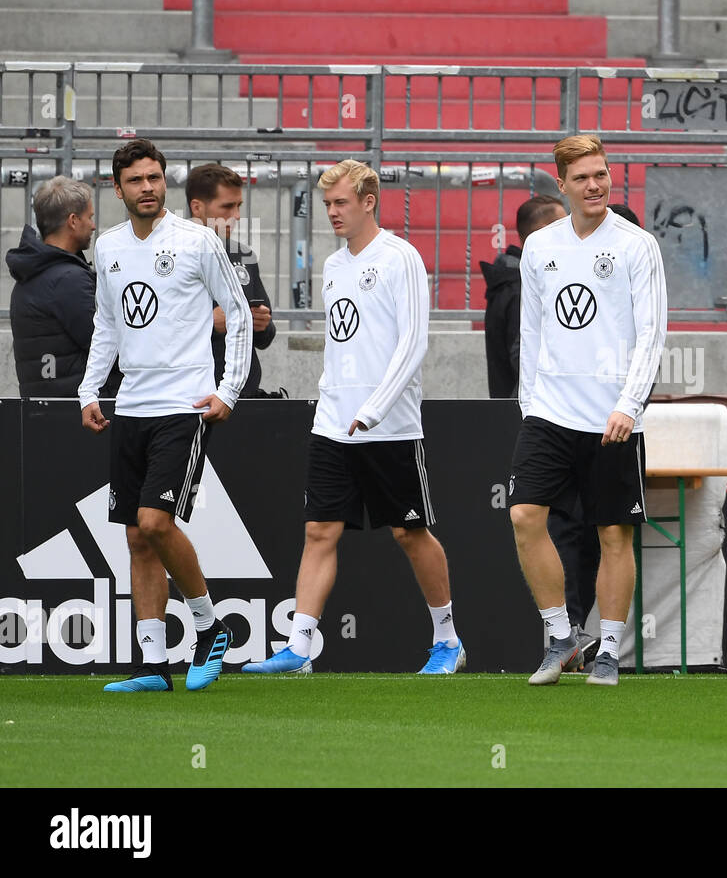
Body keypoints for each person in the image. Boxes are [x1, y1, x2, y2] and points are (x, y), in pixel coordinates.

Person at [241, 159, 465, 676]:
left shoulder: (400, 258)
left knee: (409, 533)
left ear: (369, 201)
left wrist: (373, 409)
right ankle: (299, 648)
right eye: (327, 204)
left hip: (390, 425)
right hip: (333, 424)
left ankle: (448, 640)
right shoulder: (335, 266)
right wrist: (334, 406)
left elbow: (413, 344)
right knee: (319, 530)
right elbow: (343, 345)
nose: (333, 213)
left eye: (341, 202)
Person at [78, 139, 252, 693]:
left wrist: (229, 390)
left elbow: (241, 315)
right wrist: (89, 389)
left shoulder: (198, 241)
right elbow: (107, 323)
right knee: (135, 537)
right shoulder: (107, 248)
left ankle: (208, 625)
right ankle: (153, 665)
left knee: (156, 522)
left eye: (155, 177)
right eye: (136, 180)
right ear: (117, 188)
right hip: (130, 406)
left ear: (165, 182)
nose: (148, 188)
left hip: (184, 406)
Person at [508, 135, 666, 687]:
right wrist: (530, 403)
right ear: (562, 184)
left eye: (601, 174)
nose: (595, 185)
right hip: (549, 410)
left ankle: (609, 650)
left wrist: (630, 404)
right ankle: (559, 635)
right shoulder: (540, 246)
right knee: (525, 517)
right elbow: (531, 329)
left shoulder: (637, 245)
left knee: (613, 535)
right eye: (582, 178)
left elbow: (652, 332)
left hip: (613, 417)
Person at [6, 176, 122, 398]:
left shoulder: (31, 272)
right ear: (73, 221)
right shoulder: (67, 279)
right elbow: (105, 345)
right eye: (89, 217)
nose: (93, 225)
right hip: (78, 412)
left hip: (49, 410)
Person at [185, 163, 279, 397]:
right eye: (227, 207)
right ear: (197, 207)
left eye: (238, 206)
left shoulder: (243, 256)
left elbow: (265, 339)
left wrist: (262, 325)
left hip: (243, 395)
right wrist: (208, 323)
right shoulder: (170, 257)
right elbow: (152, 334)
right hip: (191, 397)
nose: (236, 216)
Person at [482, 194, 566, 399]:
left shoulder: (510, 281)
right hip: (527, 414)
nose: (571, 233)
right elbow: (523, 357)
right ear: (543, 233)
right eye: (564, 227)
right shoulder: (519, 288)